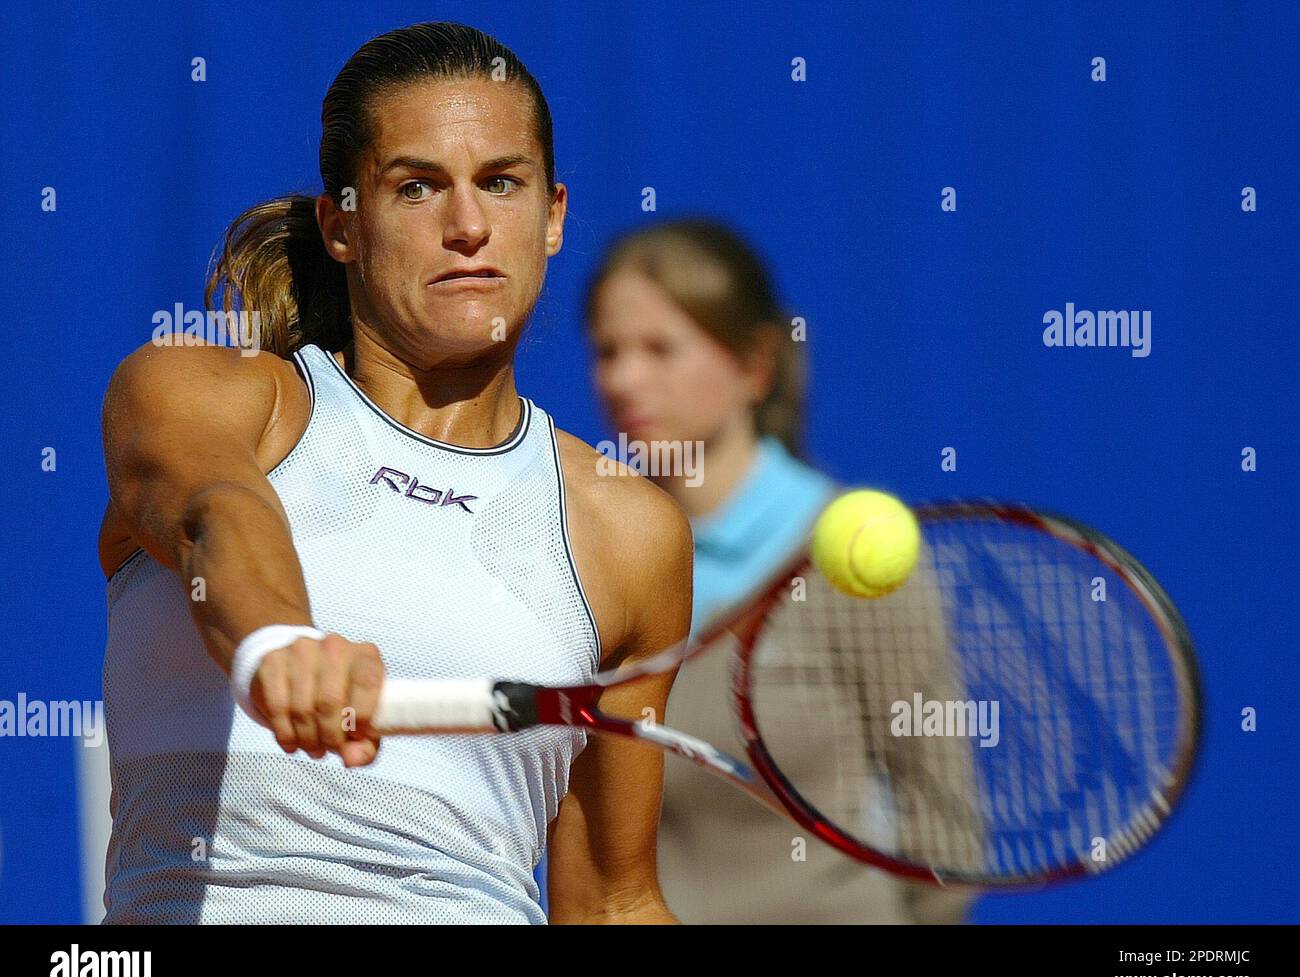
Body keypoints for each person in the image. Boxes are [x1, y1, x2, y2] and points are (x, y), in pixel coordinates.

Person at [97, 22, 693, 925]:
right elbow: (214, 512)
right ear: (343, 223)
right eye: (416, 188)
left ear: (555, 214)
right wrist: (278, 642)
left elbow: (612, 899)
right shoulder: (201, 390)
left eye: (502, 182)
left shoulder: (630, 533)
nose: (467, 227)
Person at [584, 218, 976, 923]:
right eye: (608, 351)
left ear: (754, 364)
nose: (623, 378)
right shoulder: (595, 561)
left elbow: (942, 832)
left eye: (659, 349)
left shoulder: (847, 558)